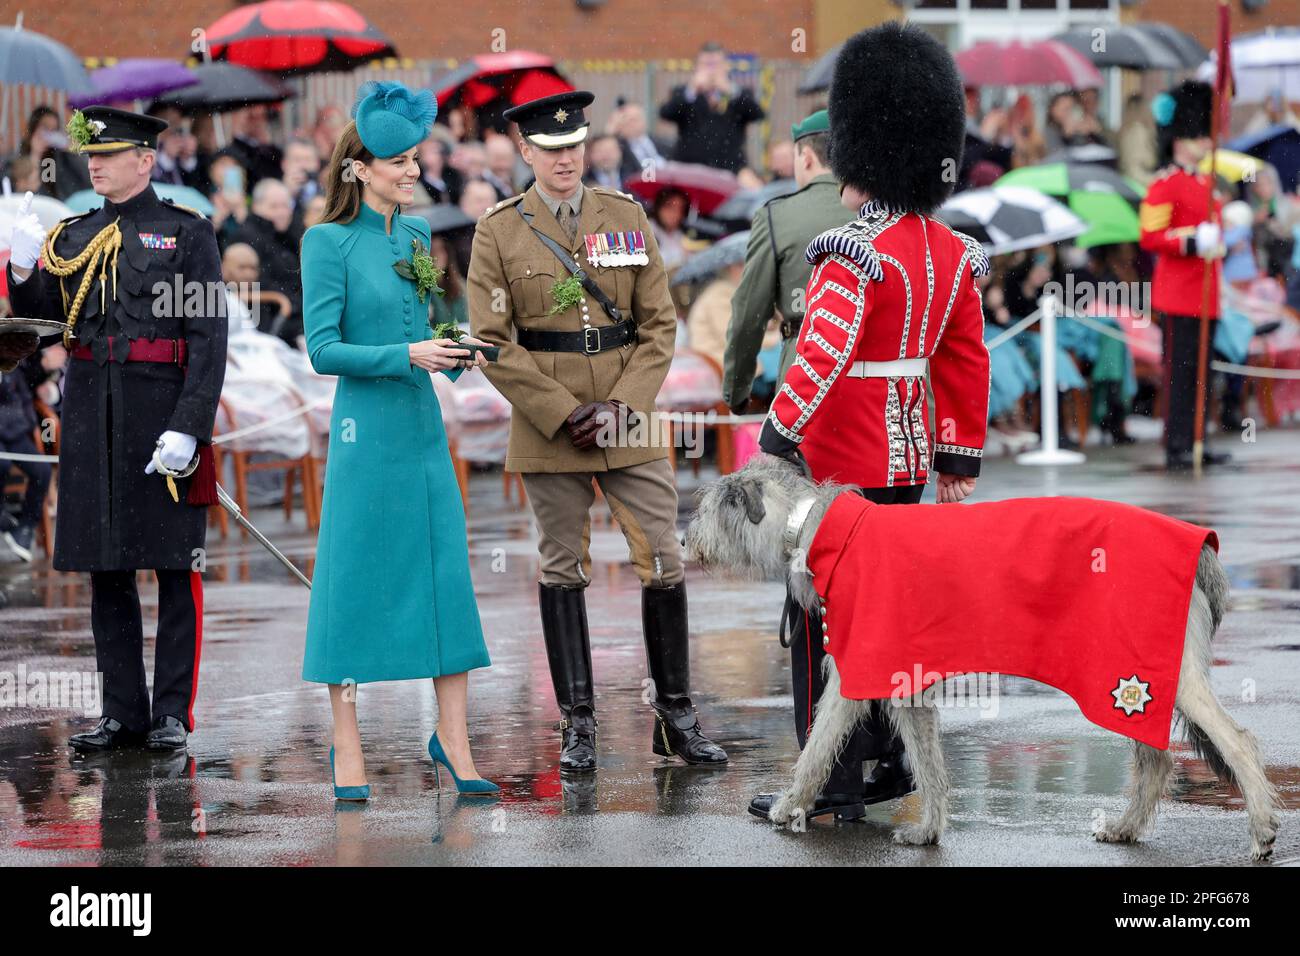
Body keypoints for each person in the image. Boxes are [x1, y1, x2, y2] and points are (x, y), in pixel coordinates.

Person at [749, 23, 991, 822]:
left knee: (826, 618)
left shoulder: (854, 251)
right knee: (894, 608)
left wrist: (777, 435)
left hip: (838, 460)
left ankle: (833, 780)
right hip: (908, 458)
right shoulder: (949, 251)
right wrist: (957, 460)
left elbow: (820, 353)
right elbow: (964, 362)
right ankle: (891, 762)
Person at [467, 90, 727, 773]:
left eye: (575, 146)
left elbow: (658, 324)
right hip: (549, 423)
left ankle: (675, 717)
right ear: (525, 151)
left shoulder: (624, 215)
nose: (566, 159)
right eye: (551, 150)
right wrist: (559, 410)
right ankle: (579, 725)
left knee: (665, 558)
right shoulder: (498, 229)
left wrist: (620, 405)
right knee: (562, 567)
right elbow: (491, 340)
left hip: (626, 413)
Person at [0, 106, 227, 752]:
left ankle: (172, 711)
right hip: (92, 410)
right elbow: (45, 313)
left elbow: (209, 340)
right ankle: (122, 711)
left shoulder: (186, 234)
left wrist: (189, 426)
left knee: (174, 564)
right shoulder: (71, 235)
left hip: (161, 415)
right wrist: (21, 271)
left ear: (146, 161)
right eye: (91, 155)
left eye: (110, 154)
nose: (94, 163)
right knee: (107, 567)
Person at [300, 81, 497, 800]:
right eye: (397, 161)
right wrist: (406, 356)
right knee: (351, 582)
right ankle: (344, 744)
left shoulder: (418, 237)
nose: (412, 172)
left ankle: (455, 739)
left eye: (415, 159)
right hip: (363, 433)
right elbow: (322, 349)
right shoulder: (325, 242)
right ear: (359, 167)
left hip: (421, 426)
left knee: (444, 577)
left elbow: (425, 327)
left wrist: (455, 343)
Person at [722, 109, 854, 413]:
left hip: (806, 371)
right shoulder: (883, 207)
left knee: (806, 460)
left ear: (806, 157)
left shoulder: (778, 215)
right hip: (879, 377)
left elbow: (749, 313)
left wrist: (736, 390)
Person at [1139, 80, 1229, 472]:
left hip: (1206, 295)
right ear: (1180, 138)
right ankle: (1177, 443)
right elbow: (1150, 236)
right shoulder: (1165, 184)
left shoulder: (1205, 183)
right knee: (1180, 374)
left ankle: (1197, 439)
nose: (1205, 144)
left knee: (1202, 375)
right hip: (1178, 296)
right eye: (1197, 136)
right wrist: (1192, 242)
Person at [658, 42, 765, 174]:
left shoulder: (739, 93)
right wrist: (692, 90)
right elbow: (666, 113)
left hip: (730, 168)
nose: (711, 70)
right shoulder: (684, 92)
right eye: (706, 65)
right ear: (697, 67)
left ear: (726, 66)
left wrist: (730, 91)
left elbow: (758, 114)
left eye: (715, 64)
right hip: (691, 168)